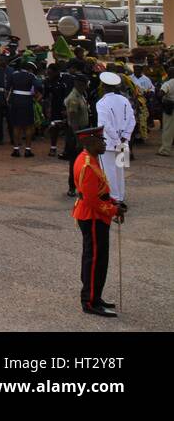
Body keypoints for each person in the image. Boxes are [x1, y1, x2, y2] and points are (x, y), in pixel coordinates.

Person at [72, 126, 124, 317]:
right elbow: (91, 200)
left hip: (97, 216)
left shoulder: (92, 159)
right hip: (92, 217)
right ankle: (89, 301)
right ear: (89, 143)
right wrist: (113, 210)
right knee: (94, 260)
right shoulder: (87, 164)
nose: (104, 143)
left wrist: (112, 203)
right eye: (100, 140)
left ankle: (95, 296)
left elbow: (99, 191)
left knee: (99, 259)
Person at [95, 71, 134, 205]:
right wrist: (124, 137)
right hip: (124, 142)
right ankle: (121, 196)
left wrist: (116, 140)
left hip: (108, 144)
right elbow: (132, 120)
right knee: (120, 170)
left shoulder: (101, 103)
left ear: (103, 86)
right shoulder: (124, 100)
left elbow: (104, 125)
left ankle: (114, 198)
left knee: (108, 171)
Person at [63, 75, 91, 196]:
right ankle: (72, 187)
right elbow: (73, 120)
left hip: (81, 131)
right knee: (75, 161)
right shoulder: (74, 98)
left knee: (82, 161)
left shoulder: (80, 95)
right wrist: (78, 138)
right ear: (81, 84)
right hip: (76, 132)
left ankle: (80, 186)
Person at [7, 60, 38, 157]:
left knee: (16, 126)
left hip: (15, 101)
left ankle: (16, 149)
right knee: (29, 126)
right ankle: (27, 150)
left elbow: (8, 88)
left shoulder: (13, 75)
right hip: (27, 101)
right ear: (29, 69)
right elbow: (38, 87)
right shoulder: (31, 76)